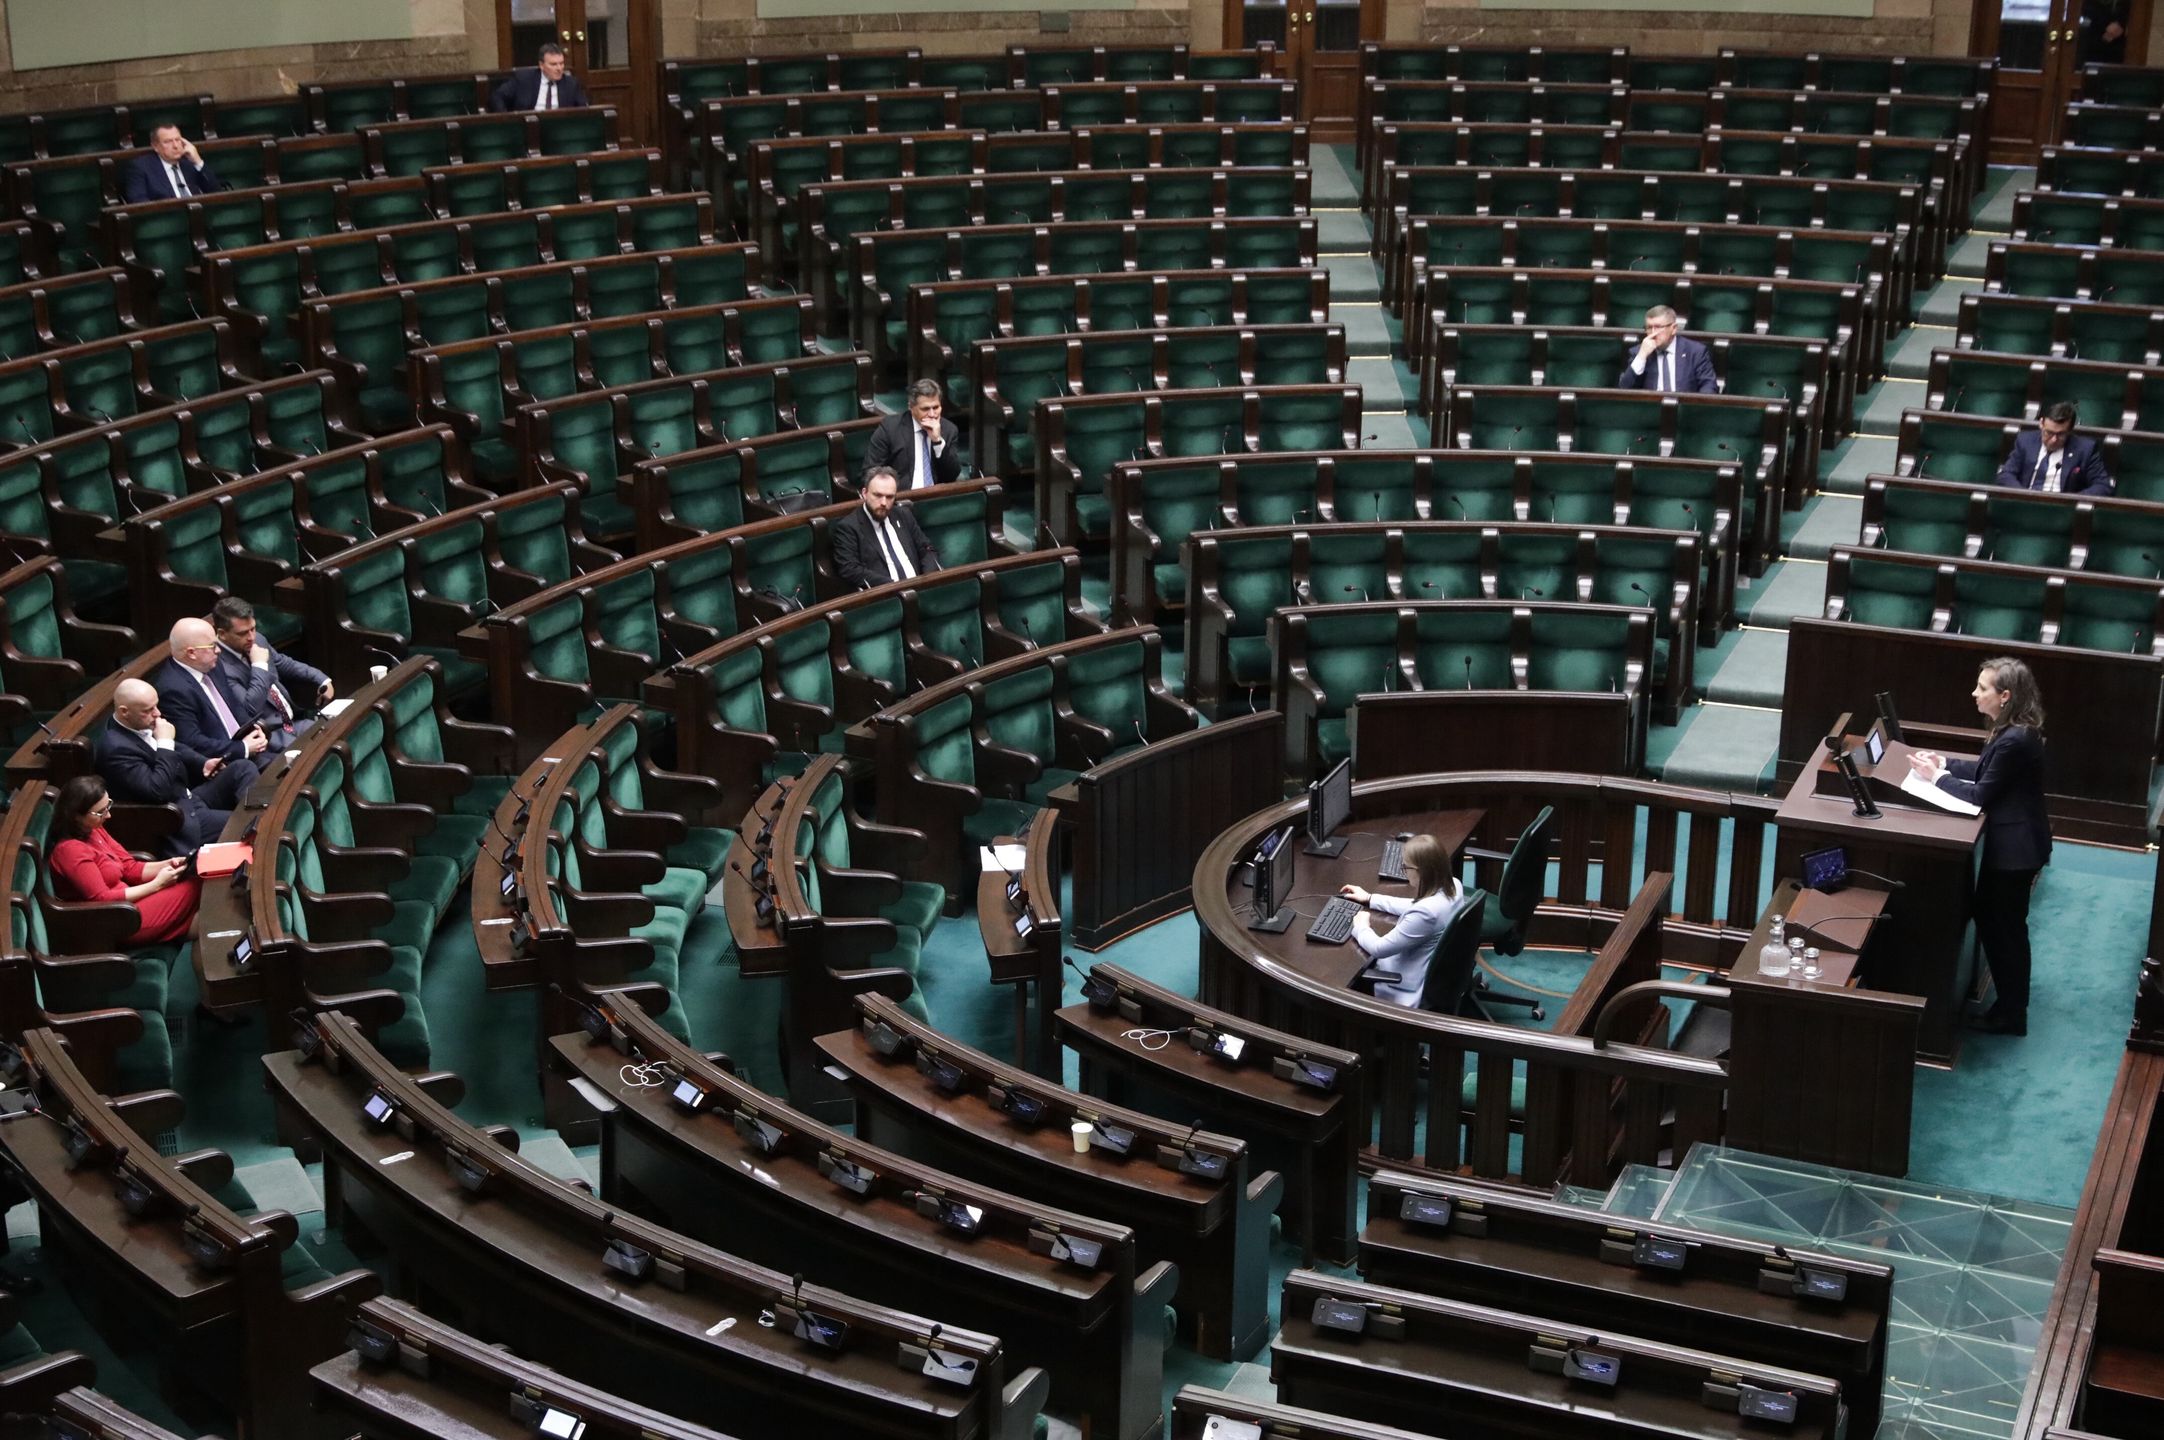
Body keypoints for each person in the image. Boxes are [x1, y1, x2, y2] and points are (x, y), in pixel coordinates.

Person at [1907, 657, 2053, 1037]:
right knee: (2000, 924)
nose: (1975, 693)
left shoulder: (2015, 739)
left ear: (2005, 696)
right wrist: (1945, 763)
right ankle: (2009, 1005)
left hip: (2014, 853)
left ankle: (2011, 1012)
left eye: (1983, 688)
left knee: (2004, 929)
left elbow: (1982, 795)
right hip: (2015, 846)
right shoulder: (2013, 730)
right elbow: (1986, 771)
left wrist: (1936, 777)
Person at [96, 678, 253, 855]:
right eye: (148, 710)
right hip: (176, 819)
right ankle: (256, 824)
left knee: (242, 768)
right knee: (243, 825)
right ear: (124, 712)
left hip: (188, 797)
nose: (157, 713)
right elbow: (157, 791)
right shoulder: (116, 749)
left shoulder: (136, 722)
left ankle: (258, 814)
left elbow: (174, 748)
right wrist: (164, 741)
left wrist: (202, 762)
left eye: (156, 706)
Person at [47, 776, 200, 946]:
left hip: (131, 902)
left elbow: (129, 867)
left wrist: (168, 864)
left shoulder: (93, 830)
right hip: (118, 919)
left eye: (108, 806)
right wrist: (158, 884)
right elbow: (102, 900)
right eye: (101, 812)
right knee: (196, 885)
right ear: (76, 816)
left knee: (197, 874)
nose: (109, 815)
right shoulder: (70, 851)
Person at [1337, 834, 1473, 1009]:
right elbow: (1414, 905)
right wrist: (1370, 898)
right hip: (1438, 974)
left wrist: (1361, 926)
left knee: (1345, 980)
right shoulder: (1454, 885)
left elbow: (1379, 948)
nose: (1404, 871)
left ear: (1420, 871)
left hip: (1402, 983)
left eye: (1405, 867)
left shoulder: (1426, 914)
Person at [212, 596, 331, 752]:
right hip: (271, 737)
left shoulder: (257, 640)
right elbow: (250, 710)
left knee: (336, 734)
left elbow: (282, 663)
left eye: (253, 629)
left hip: (295, 721)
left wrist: (321, 678)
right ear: (222, 633)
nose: (251, 637)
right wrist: (259, 665)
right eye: (242, 633)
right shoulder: (218, 666)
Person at [155, 617, 270, 772]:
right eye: (212, 645)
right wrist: (242, 748)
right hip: (223, 766)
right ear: (191, 653)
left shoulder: (212, 665)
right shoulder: (173, 690)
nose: (218, 650)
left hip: (246, 748)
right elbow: (193, 742)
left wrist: (253, 730)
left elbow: (234, 705)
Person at [831, 466, 942, 590]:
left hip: (920, 589)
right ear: (864, 493)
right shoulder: (849, 527)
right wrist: (895, 586)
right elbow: (850, 569)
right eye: (878, 495)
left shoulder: (903, 515)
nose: (883, 502)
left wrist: (926, 579)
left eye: (889, 497)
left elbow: (926, 549)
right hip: (887, 596)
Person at [1994, 402, 2114, 496]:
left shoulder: (2085, 449)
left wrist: (2071, 501)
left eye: (2061, 434)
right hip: (2025, 502)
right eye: (2049, 433)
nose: (2054, 440)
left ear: (2070, 430)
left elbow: (2102, 485)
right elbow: (2006, 475)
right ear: (2041, 424)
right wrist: (2023, 495)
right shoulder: (2025, 441)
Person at [864, 380, 966, 491]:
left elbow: (951, 476)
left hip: (935, 498)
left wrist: (937, 441)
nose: (932, 415)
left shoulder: (948, 430)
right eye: (925, 409)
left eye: (936, 407)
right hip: (902, 499)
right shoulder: (890, 428)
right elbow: (870, 472)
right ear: (911, 407)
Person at [1615, 305, 1719, 393]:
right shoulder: (1638, 352)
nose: (1653, 333)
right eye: (1649, 327)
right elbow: (1625, 389)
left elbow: (1709, 386)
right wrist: (1642, 356)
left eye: (1658, 327)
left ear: (1674, 328)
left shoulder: (1695, 351)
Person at [118, 123, 229, 204]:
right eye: (168, 142)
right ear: (155, 146)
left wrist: (198, 162)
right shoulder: (140, 167)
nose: (175, 146)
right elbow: (138, 202)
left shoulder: (189, 163)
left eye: (178, 140)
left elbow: (215, 192)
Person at [491, 43, 590, 113]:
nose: (559, 68)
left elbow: (584, 109)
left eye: (561, 63)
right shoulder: (524, 79)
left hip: (560, 131)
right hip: (529, 128)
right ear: (541, 65)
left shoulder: (571, 83)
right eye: (553, 64)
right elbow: (497, 96)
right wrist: (507, 119)